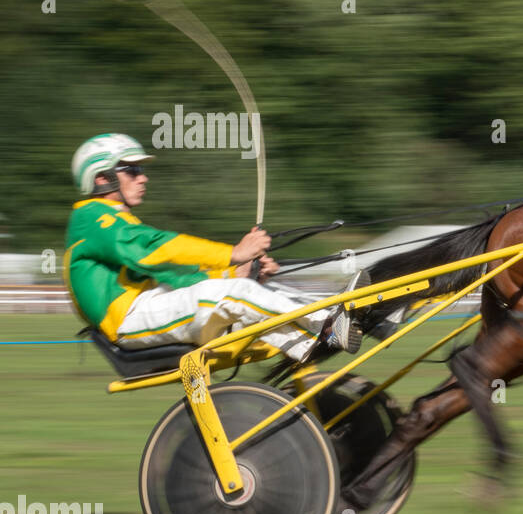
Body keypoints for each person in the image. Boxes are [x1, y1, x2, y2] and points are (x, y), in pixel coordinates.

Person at [65, 133, 363, 363]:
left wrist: (236, 270)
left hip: (148, 306)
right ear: (102, 178)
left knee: (249, 293)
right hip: (129, 321)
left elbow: (175, 278)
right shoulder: (90, 217)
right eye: (131, 169)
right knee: (235, 294)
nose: (143, 177)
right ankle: (327, 321)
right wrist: (233, 254)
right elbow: (151, 248)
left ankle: (320, 335)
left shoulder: (114, 223)